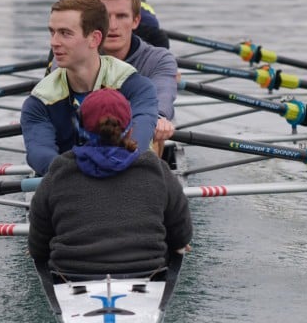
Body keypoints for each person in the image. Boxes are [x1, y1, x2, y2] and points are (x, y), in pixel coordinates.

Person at [28, 87, 192, 277]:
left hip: (71, 273)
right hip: (147, 269)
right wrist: (179, 243)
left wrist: (36, 250)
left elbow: (39, 238)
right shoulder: (154, 167)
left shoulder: (59, 169)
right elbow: (182, 231)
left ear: (79, 128)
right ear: (131, 129)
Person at [20, 0, 158, 176]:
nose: (54, 42)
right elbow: (40, 154)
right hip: (70, 185)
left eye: (65, 33)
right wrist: (84, 181)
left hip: (129, 179)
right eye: (52, 32)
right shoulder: (40, 100)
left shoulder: (134, 86)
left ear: (94, 38)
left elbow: (139, 139)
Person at [91, 0, 177, 148]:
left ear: (136, 21)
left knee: (152, 121)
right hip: (86, 135)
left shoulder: (159, 59)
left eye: (121, 16)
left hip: (139, 137)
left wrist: (158, 117)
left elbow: (163, 95)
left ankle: (140, 169)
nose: (113, 26)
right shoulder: (72, 55)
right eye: (105, 17)